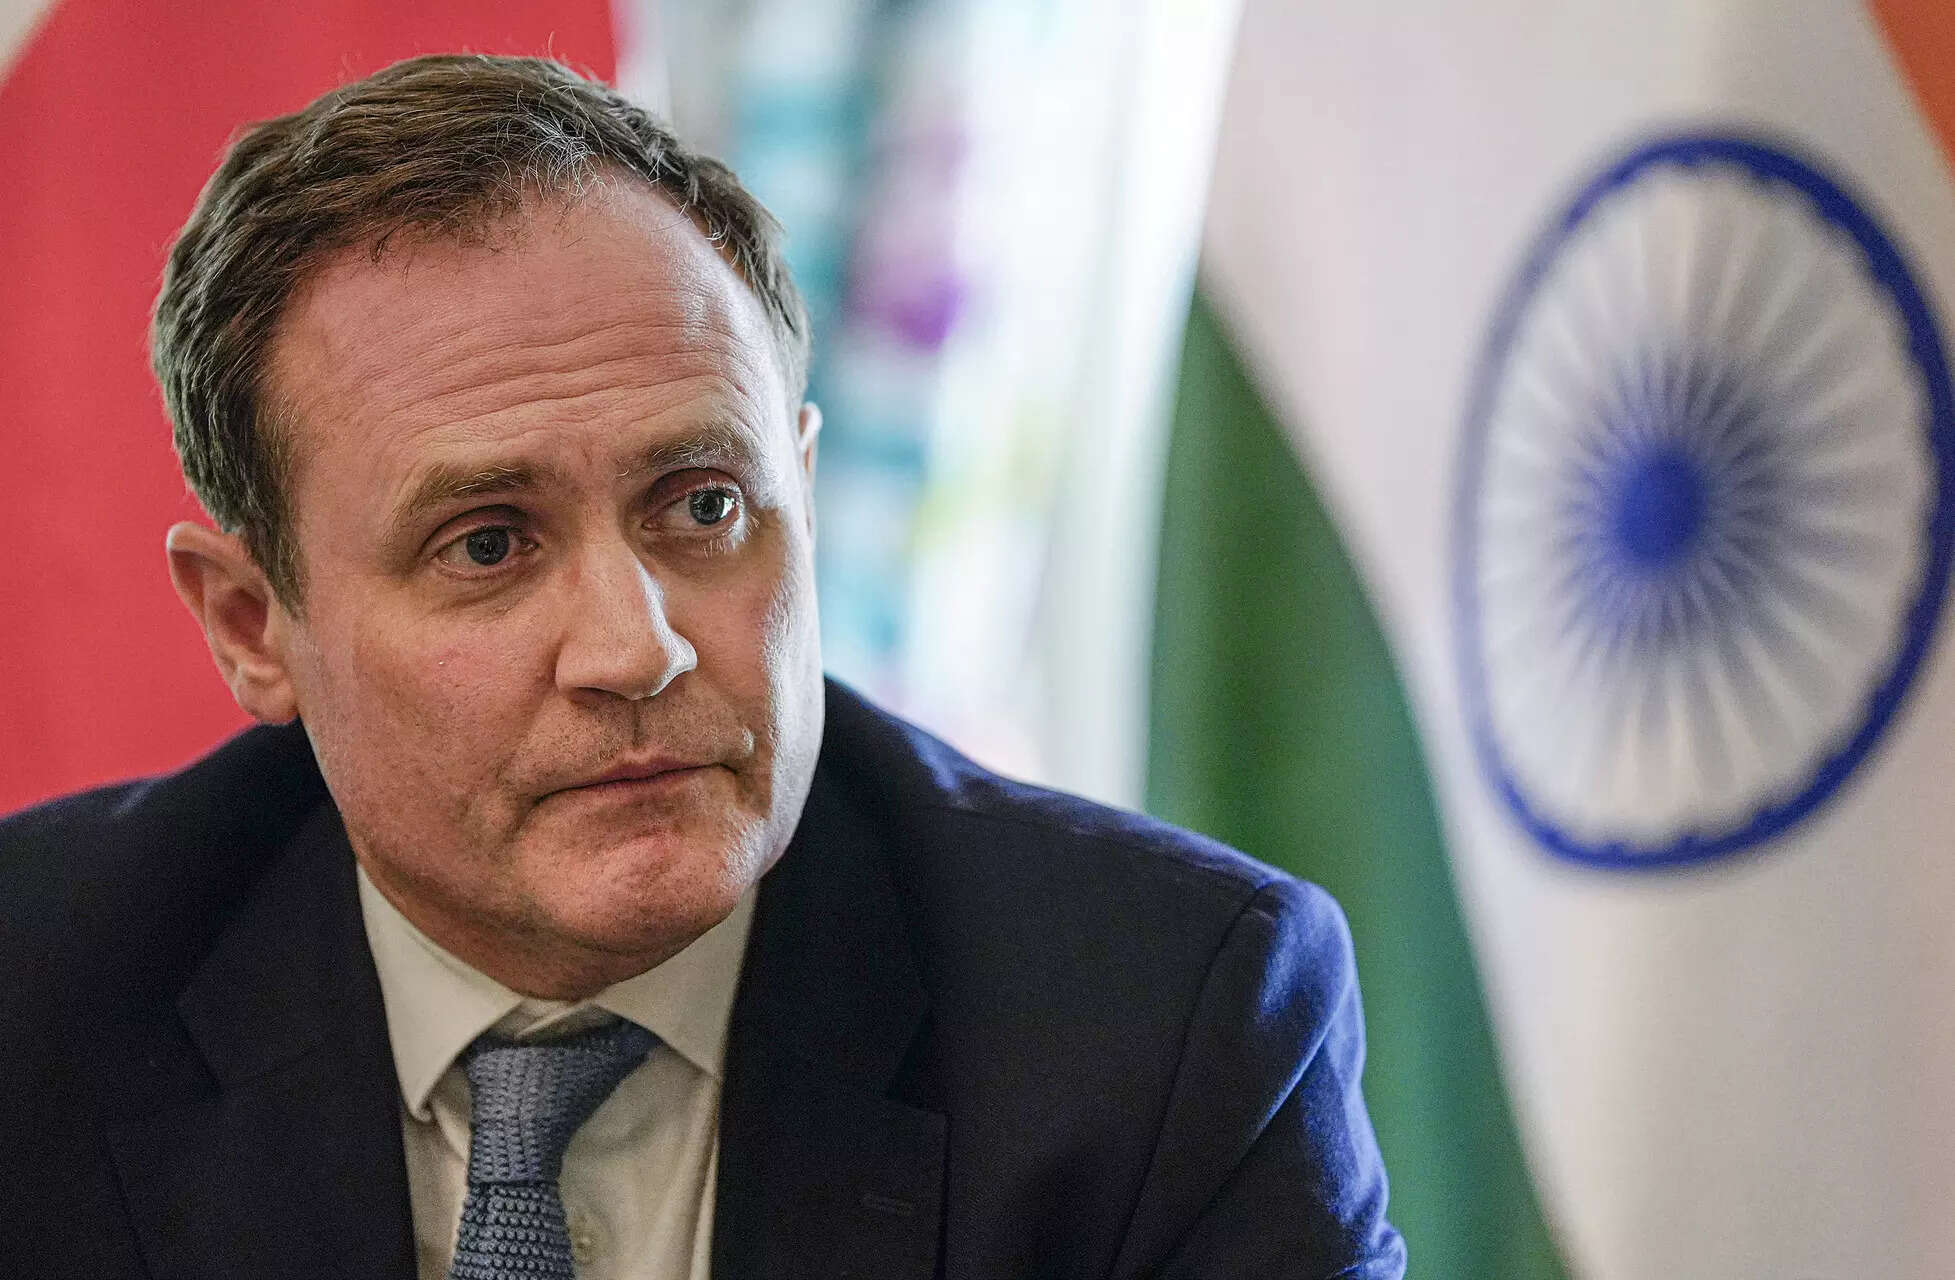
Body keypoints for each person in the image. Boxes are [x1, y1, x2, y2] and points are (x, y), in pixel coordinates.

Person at [0, 54, 1405, 1280]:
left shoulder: (1164, 1026)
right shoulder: (34, 1003)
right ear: (253, 624)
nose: (638, 648)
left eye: (705, 506)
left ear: (805, 492)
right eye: (487, 544)